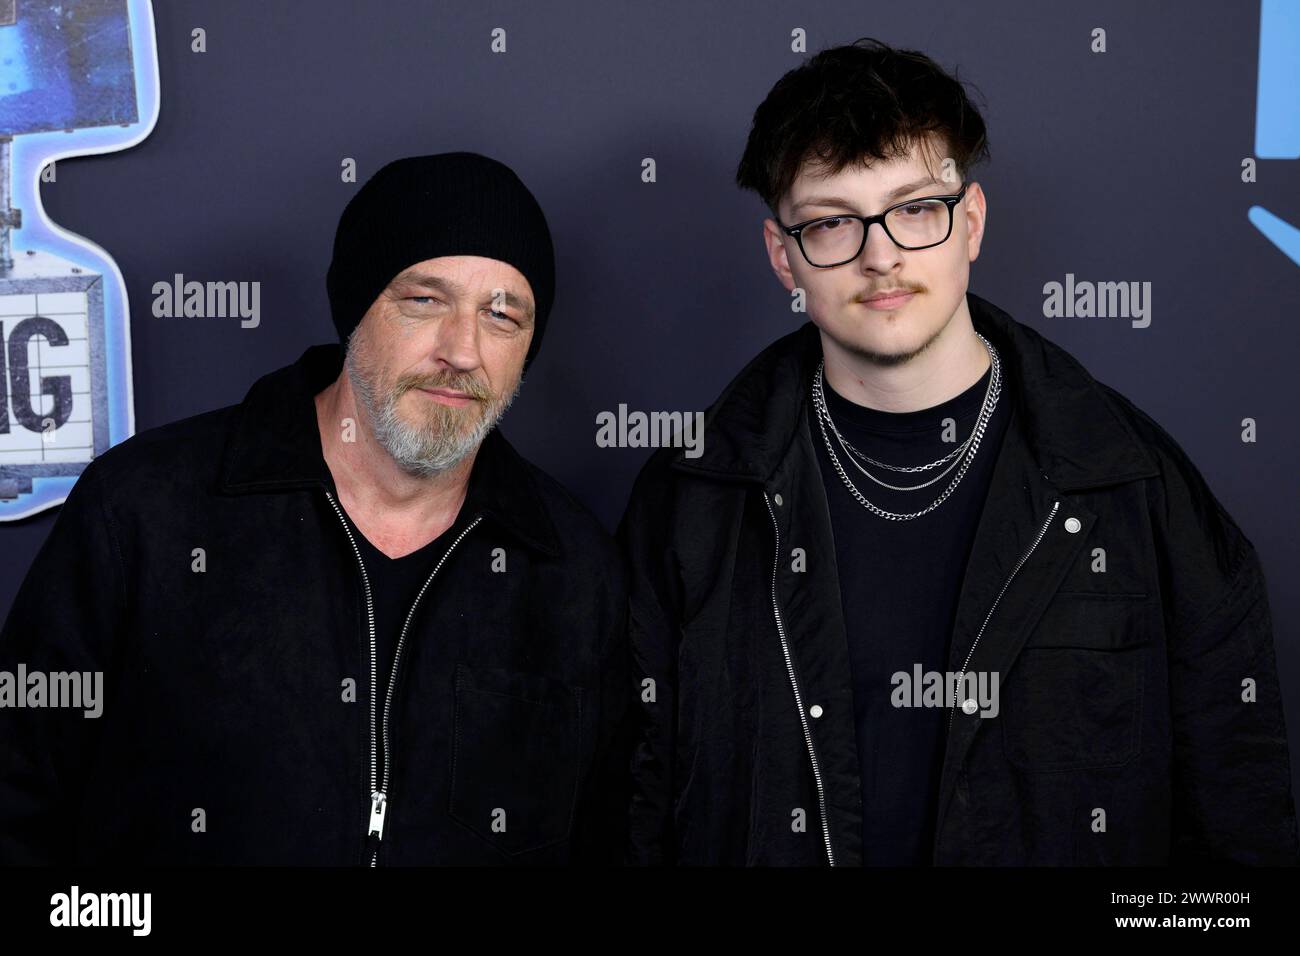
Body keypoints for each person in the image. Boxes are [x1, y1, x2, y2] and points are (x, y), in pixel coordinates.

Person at [620, 38, 1298, 865]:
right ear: (782, 257)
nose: (881, 256)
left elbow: (1239, 816)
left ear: (969, 223)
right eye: (833, 221)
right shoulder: (694, 495)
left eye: (914, 208)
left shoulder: (1132, 483)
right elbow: (639, 805)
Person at [0, 152, 632, 865]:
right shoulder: (145, 511)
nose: (463, 350)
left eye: (503, 314)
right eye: (425, 300)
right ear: (355, 310)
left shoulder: (574, 569)